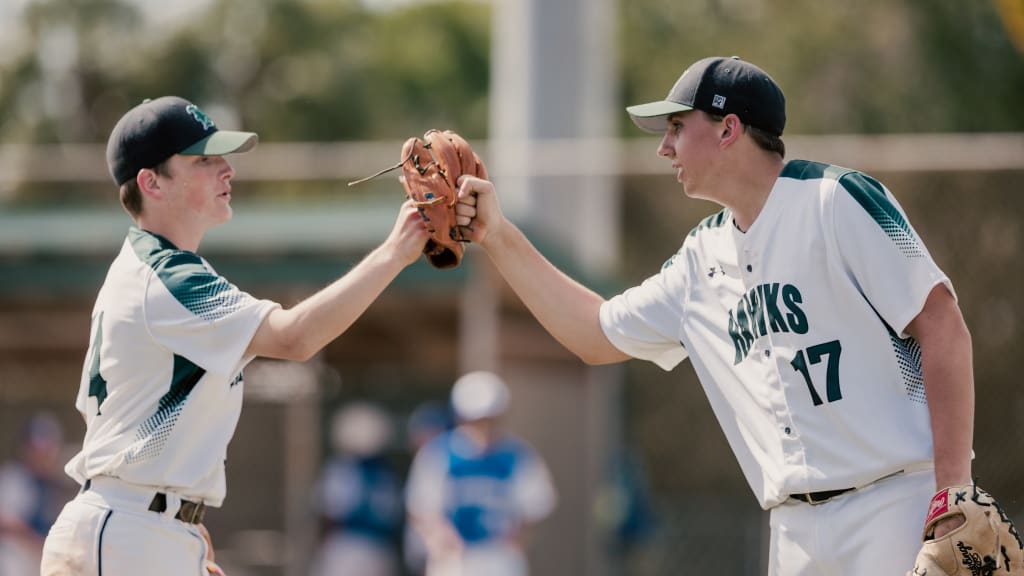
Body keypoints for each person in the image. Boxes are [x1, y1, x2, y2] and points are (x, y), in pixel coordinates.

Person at [455, 56, 989, 574]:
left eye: (677, 126)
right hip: (792, 527)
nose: (664, 147)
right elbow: (594, 334)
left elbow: (943, 325)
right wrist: (497, 235)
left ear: (728, 128)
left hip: (892, 502)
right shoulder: (699, 258)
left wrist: (953, 492)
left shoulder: (834, 200)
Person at [39, 96, 430, 575]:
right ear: (150, 182)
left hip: (144, 528)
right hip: (128, 532)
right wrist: (394, 252)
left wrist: (187, 534)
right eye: (204, 160)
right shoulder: (167, 276)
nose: (227, 170)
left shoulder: (156, 269)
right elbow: (294, 338)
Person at [405, 371, 556, 576]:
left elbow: (535, 506)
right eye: (475, 420)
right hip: (455, 558)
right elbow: (421, 507)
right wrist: (440, 540)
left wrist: (516, 543)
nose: (482, 426)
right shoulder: (438, 453)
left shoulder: (517, 455)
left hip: (500, 557)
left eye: (488, 419)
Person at [311, 401, 403, 576]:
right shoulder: (388, 472)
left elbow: (330, 512)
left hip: (347, 547)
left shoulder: (343, 468)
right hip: (382, 549)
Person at [0, 413, 68, 576]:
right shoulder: (14, 477)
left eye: (49, 449)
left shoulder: (55, 483)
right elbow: (7, 523)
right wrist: (44, 546)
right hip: (14, 568)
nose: (44, 455)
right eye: (38, 449)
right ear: (26, 447)